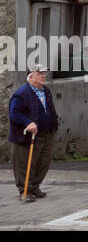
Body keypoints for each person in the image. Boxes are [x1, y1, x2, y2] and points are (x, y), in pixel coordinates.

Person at [9, 66, 59, 201]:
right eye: (39, 74)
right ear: (30, 77)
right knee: (26, 164)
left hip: (47, 134)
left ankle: (35, 187)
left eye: (44, 73)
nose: (43, 76)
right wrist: (27, 122)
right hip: (28, 136)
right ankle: (25, 191)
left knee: (43, 163)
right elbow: (14, 114)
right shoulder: (21, 93)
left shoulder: (45, 91)